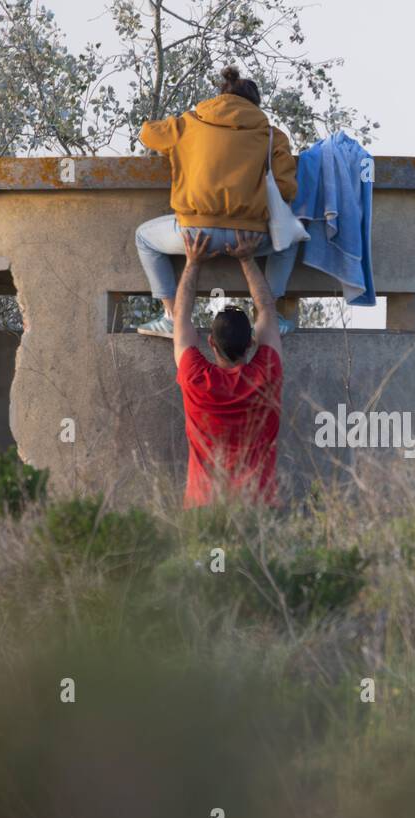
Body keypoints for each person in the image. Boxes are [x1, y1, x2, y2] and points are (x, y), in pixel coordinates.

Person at [134, 66, 300, 335]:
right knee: (291, 238)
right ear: (255, 105)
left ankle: (170, 317)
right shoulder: (272, 135)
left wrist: (182, 128)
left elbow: (147, 133)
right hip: (249, 235)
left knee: (144, 237)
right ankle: (269, 316)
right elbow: (287, 189)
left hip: (195, 233)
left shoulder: (189, 122)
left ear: (220, 95)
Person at [170, 228, 284, 508]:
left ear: (210, 342)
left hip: (203, 508)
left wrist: (193, 262)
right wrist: (246, 259)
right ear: (251, 344)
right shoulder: (267, 372)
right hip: (258, 507)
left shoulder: (195, 376)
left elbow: (180, 317)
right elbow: (267, 311)